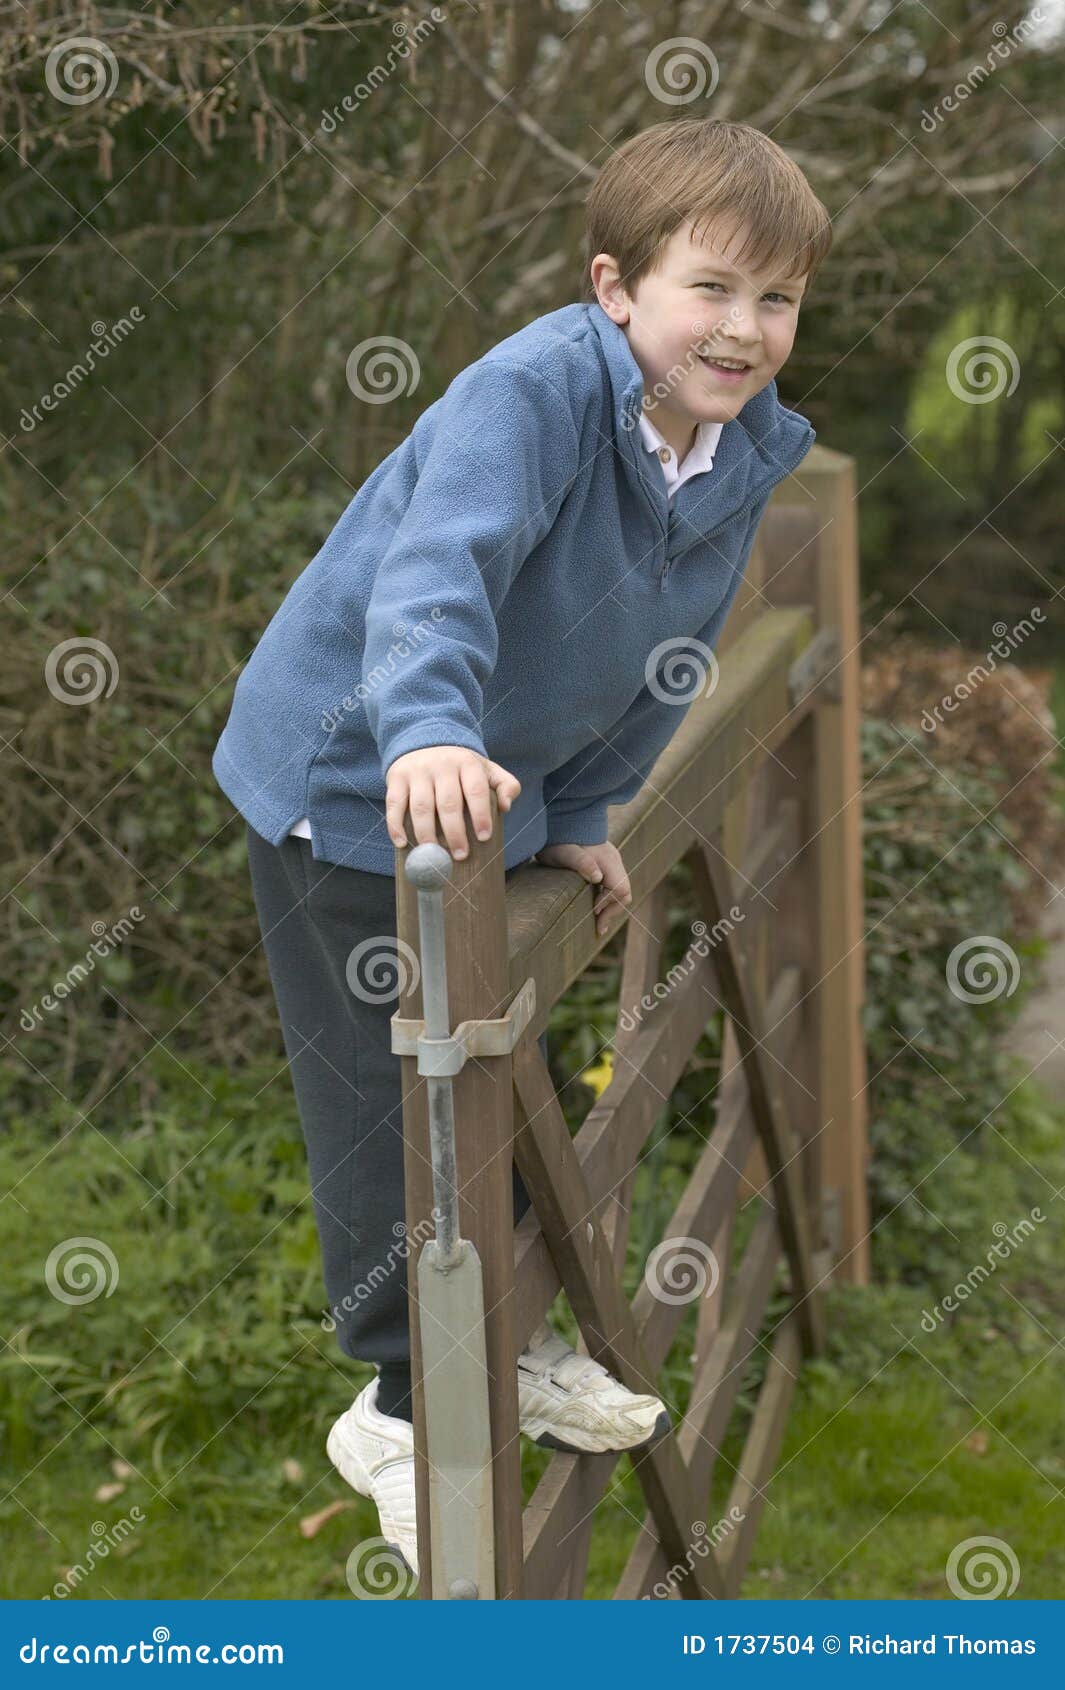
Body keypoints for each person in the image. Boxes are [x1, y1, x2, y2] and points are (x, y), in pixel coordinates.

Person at [211, 116, 832, 1577]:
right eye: (712, 288)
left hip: (488, 800)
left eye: (778, 299)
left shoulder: (742, 449)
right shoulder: (536, 392)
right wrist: (424, 725)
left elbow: (664, 646)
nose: (744, 330)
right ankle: (395, 1406)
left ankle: (506, 1347)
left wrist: (580, 810)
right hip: (357, 770)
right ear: (615, 287)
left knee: (513, 1069)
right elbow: (442, 567)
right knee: (392, 1097)